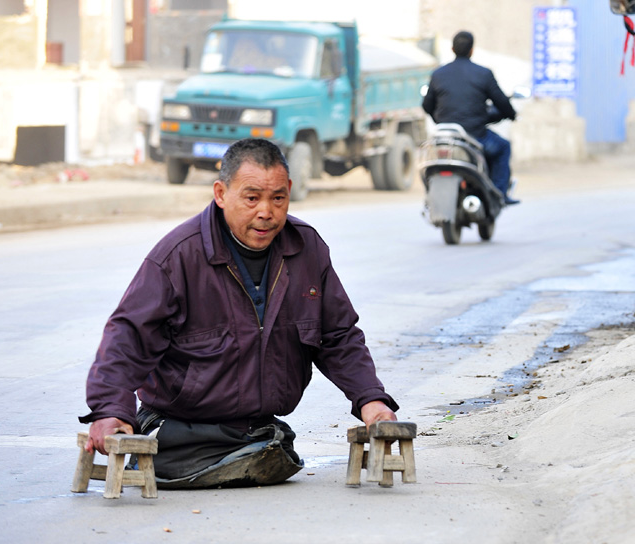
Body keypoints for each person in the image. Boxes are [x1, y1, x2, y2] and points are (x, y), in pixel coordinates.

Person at [79, 138, 398, 488]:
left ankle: (247, 452)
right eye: (251, 198)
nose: (266, 212)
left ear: (290, 191)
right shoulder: (178, 256)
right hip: (182, 427)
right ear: (220, 194)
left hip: (257, 429)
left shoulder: (307, 248)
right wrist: (110, 411)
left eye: (278, 198)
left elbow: (339, 336)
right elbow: (128, 337)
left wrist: (371, 400)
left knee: (272, 452)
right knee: (202, 458)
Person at [422, 30, 519, 205]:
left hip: (446, 137)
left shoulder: (438, 74)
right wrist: (510, 114)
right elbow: (502, 102)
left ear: (452, 49)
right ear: (472, 50)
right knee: (503, 147)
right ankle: (500, 194)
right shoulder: (483, 74)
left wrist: (439, 119)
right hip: (476, 136)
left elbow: (427, 105)